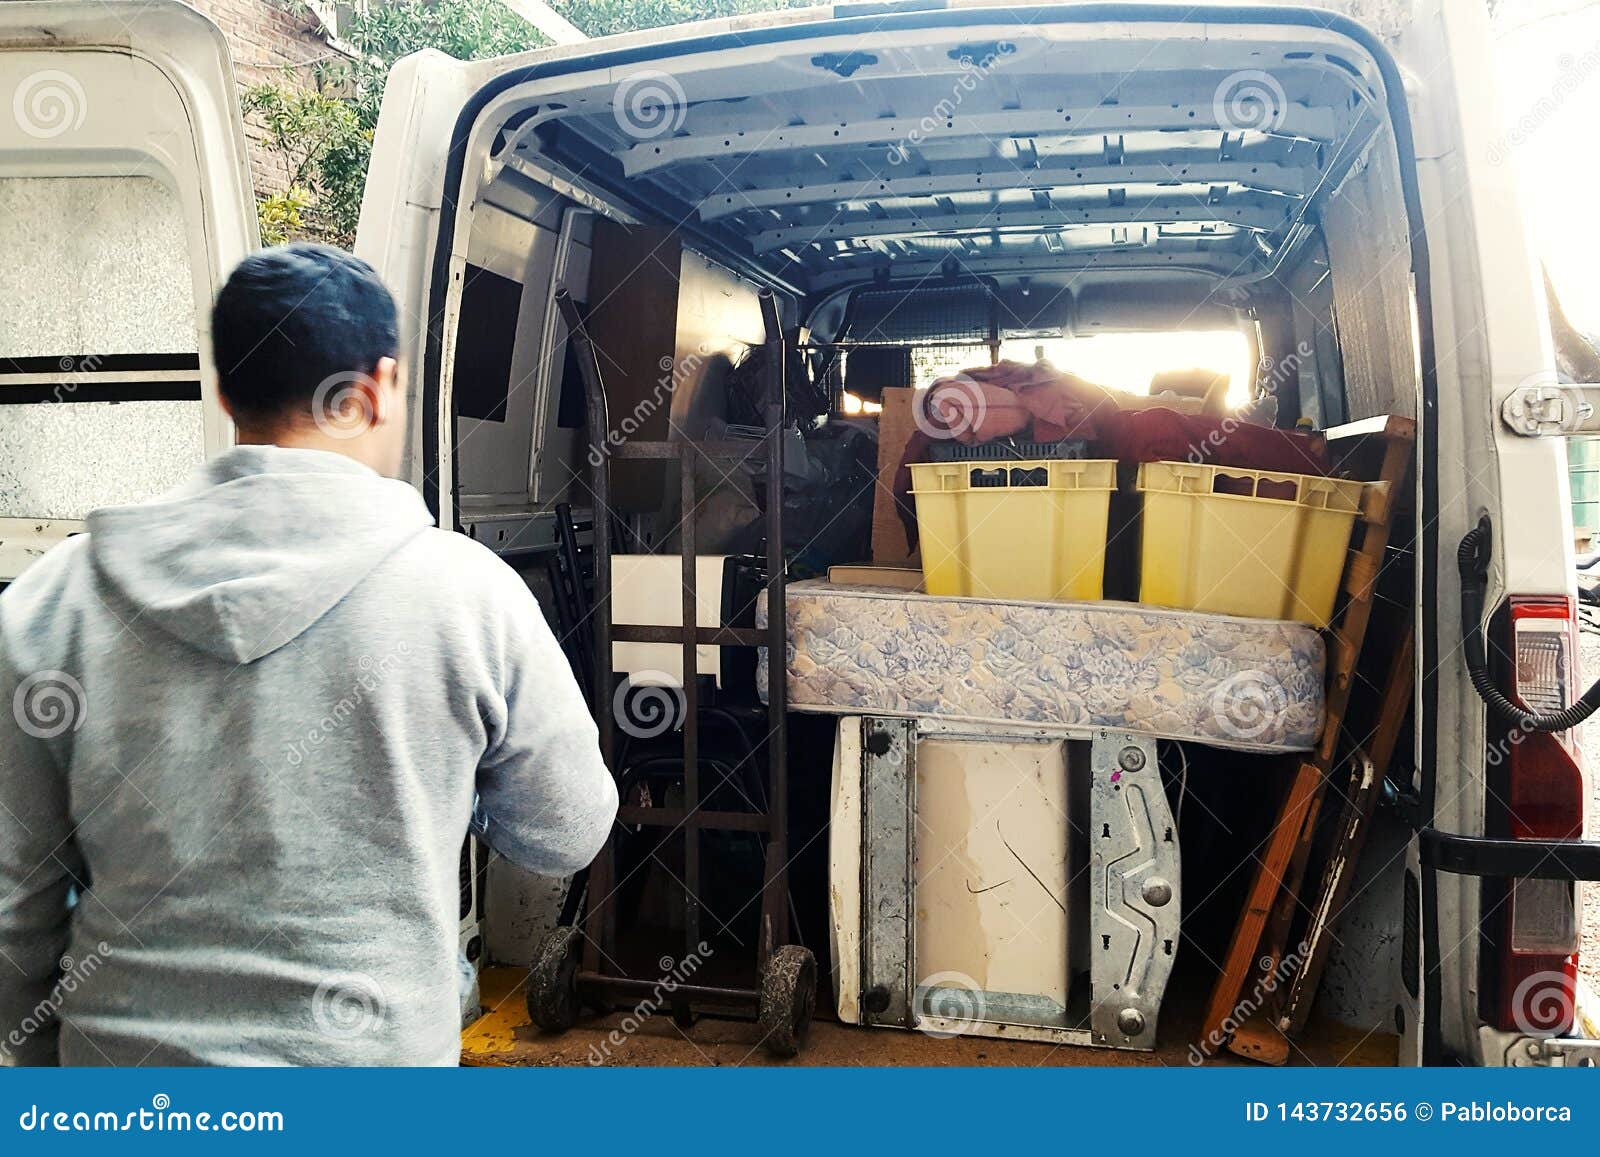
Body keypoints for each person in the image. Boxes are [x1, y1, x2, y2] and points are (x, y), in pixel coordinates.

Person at [0, 243, 616, 1066]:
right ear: (375, 391)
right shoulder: (469, 595)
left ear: (224, 393)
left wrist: (50, 1068)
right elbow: (568, 830)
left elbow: (14, 899)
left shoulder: (55, 600)